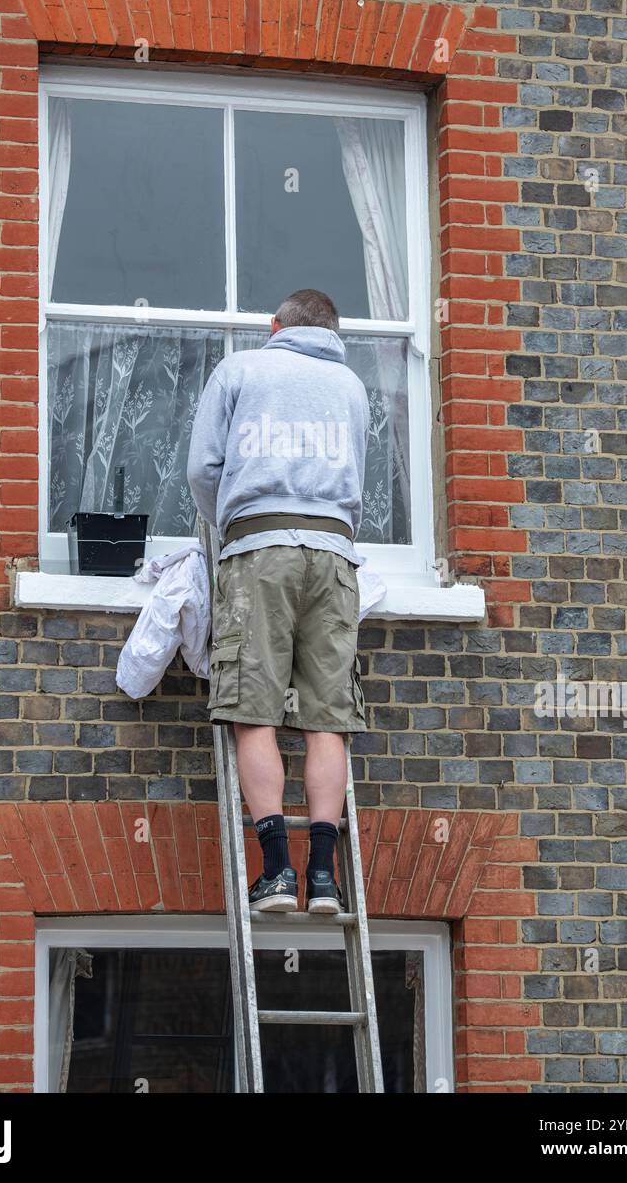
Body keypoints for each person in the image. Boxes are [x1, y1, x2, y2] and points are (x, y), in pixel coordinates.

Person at [187, 289, 370, 914]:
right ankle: (324, 876)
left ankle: (275, 874)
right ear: (332, 331)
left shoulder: (239, 369)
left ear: (275, 326)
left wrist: (231, 526)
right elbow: (358, 479)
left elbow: (202, 469)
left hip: (259, 549)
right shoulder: (350, 386)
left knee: (253, 712)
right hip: (336, 555)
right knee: (328, 720)